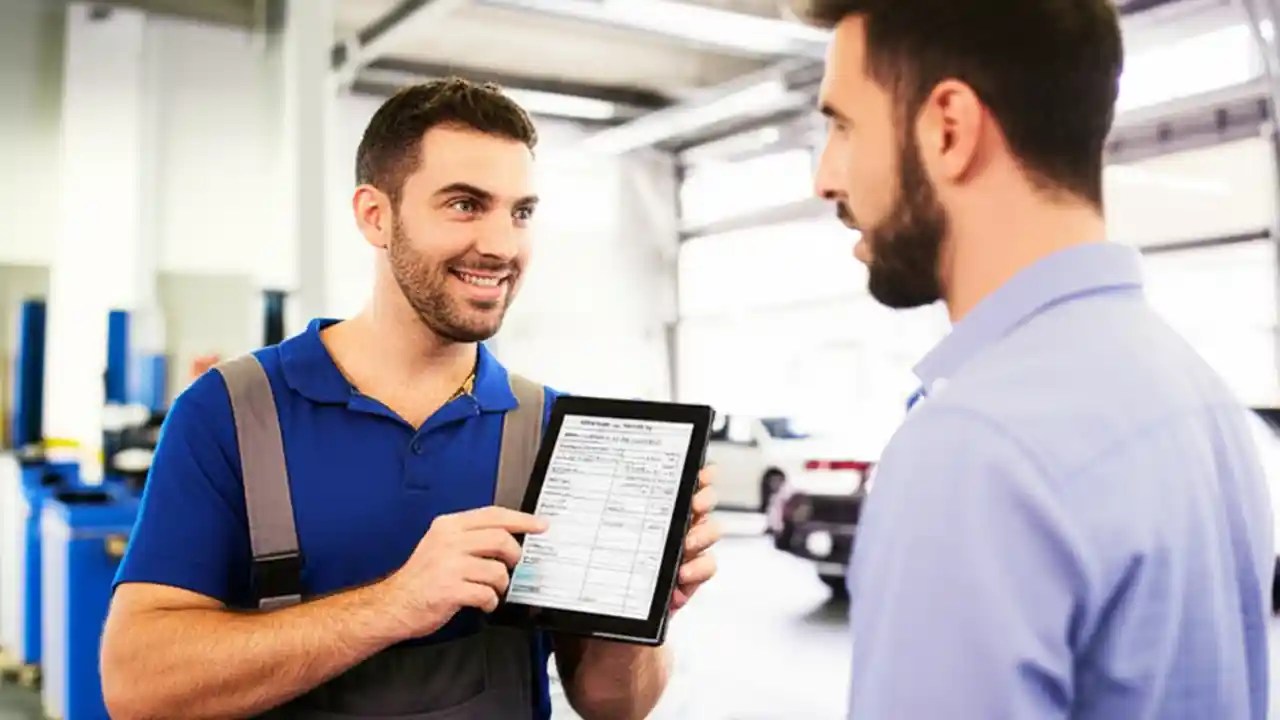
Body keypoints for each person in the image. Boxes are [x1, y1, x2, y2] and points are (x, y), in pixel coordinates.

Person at [99, 78, 721, 719]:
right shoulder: (231, 411)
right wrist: (394, 605)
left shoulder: (554, 430)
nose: (502, 244)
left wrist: (642, 603)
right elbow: (138, 688)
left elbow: (614, 707)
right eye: (463, 204)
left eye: (521, 212)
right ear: (376, 214)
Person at [795, 1, 1273, 718]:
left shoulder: (973, 451)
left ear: (948, 129)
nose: (825, 178)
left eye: (842, 125)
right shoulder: (1203, 400)